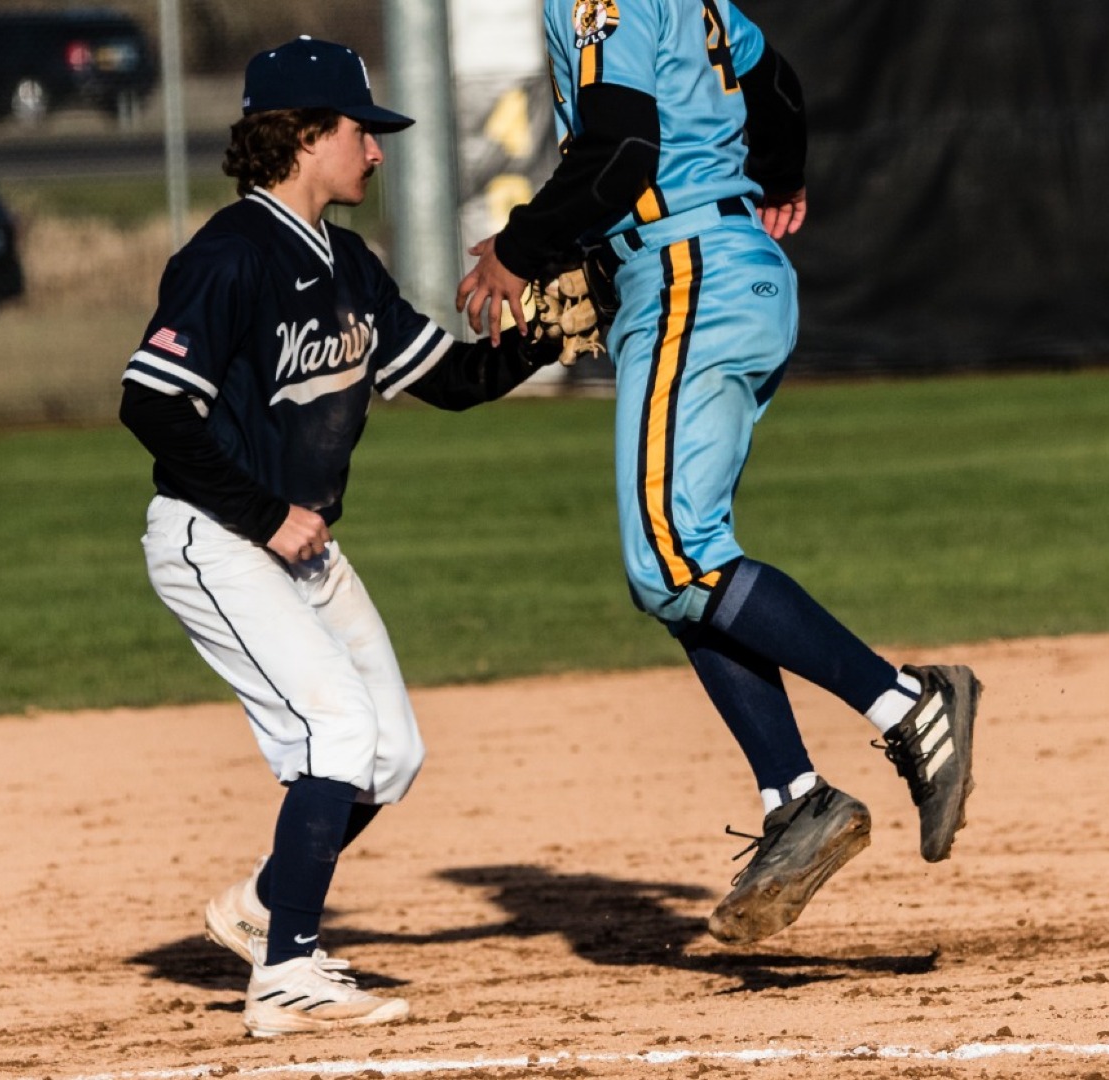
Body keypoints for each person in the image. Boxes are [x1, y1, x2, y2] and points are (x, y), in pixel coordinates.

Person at [455, 0, 983, 946]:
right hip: (730, 269)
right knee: (686, 566)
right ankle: (796, 797)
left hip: (689, 273)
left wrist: (522, 249)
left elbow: (617, 153)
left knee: (672, 559)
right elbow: (772, 78)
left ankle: (907, 705)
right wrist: (776, 176)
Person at [120, 37, 565, 1036]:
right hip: (215, 536)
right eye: (362, 132)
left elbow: (445, 380)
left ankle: (261, 909)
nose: (376, 152)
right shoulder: (227, 258)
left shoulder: (348, 264)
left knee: (390, 752)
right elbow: (150, 407)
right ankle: (287, 973)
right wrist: (262, 512)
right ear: (307, 135)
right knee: (338, 730)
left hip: (297, 548)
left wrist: (540, 340)